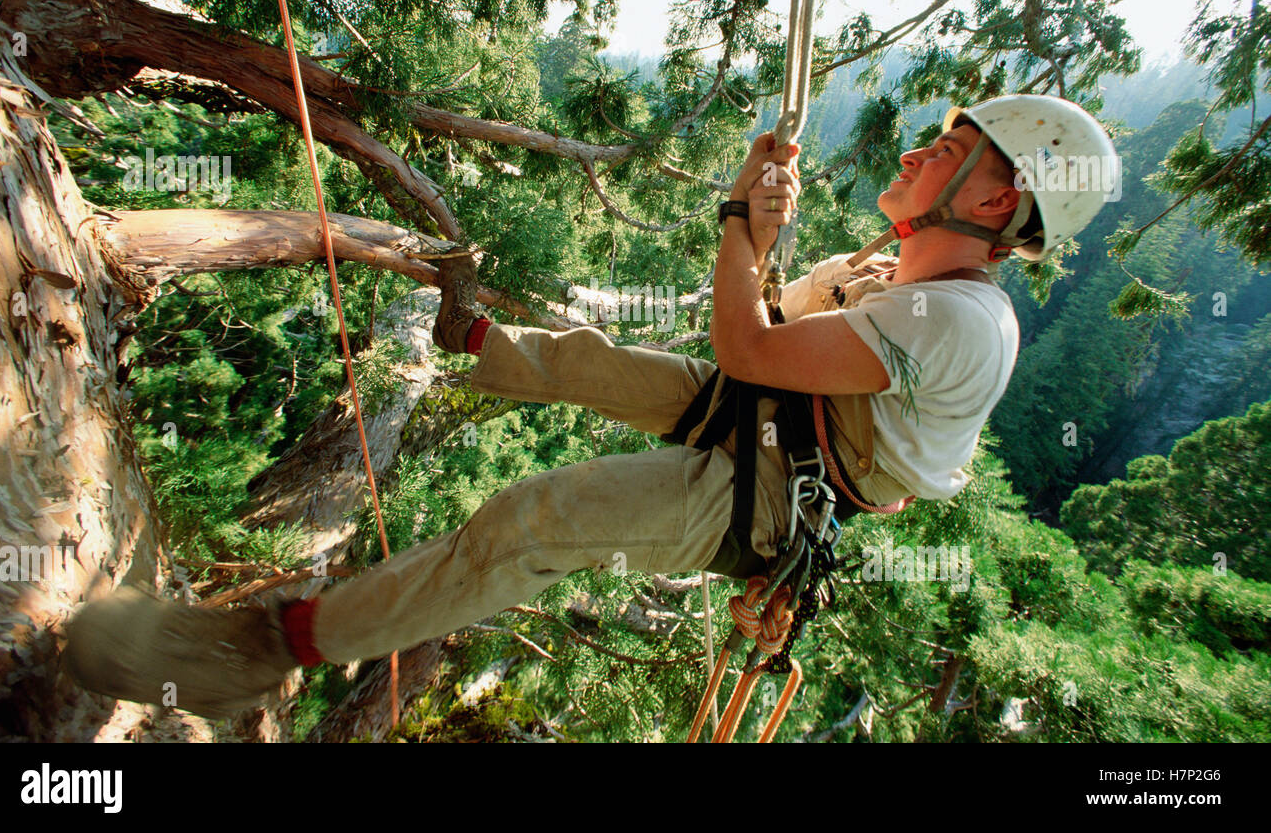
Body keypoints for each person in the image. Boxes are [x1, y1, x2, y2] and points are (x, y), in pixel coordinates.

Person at [62, 95, 1118, 719]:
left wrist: (738, 219)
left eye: (945, 150)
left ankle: (265, 647)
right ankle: (464, 338)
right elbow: (766, 328)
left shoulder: (961, 323)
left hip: (775, 491)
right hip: (775, 424)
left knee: (532, 519)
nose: (912, 152)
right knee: (594, 361)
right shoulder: (887, 272)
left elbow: (744, 338)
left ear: (988, 200)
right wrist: (757, 223)